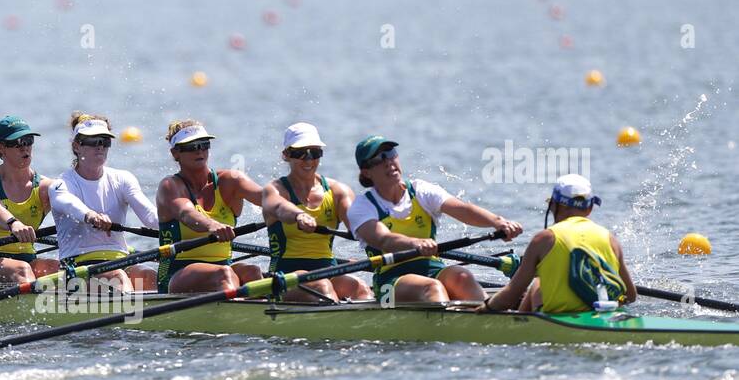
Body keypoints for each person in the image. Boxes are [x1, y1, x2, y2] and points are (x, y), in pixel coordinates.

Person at [347, 135, 522, 303]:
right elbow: (382, 239)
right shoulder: (362, 206)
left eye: (391, 154)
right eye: (379, 158)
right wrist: (415, 243)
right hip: (391, 278)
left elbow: (463, 210)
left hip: (432, 266)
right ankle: (452, 328)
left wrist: (498, 222)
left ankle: (492, 318)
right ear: (367, 172)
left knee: (463, 277)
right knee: (432, 288)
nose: (388, 161)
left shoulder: (420, 190)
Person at [483, 174, 636, 313]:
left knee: (538, 283)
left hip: (557, 320)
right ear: (589, 209)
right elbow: (630, 295)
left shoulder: (544, 239)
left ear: (554, 205)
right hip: (602, 316)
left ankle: (520, 324)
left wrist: (486, 307)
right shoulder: (610, 238)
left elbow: (511, 296)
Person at [259, 122, 372, 302]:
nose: (309, 159)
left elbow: (360, 225)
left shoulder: (338, 191)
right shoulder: (274, 190)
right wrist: (299, 215)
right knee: (322, 286)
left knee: (360, 288)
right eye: (300, 153)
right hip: (284, 275)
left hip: (329, 270)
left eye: (315, 152)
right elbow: (279, 208)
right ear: (286, 155)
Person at [47, 112, 159, 292]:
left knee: (152, 276)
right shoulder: (61, 184)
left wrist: (185, 224)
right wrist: (91, 216)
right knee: (118, 278)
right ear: (77, 146)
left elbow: (151, 217)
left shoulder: (123, 179)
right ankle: (137, 315)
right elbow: (69, 204)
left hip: (121, 259)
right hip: (79, 266)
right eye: (92, 141)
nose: (100, 147)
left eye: (105, 141)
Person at [155, 120, 265, 294]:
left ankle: (262, 316)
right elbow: (187, 213)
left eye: (204, 145)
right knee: (225, 274)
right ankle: (241, 314)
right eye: (191, 146)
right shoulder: (170, 186)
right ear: (175, 153)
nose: (199, 150)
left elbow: (266, 198)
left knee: (253, 271)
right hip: (176, 274)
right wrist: (213, 226)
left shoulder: (230, 181)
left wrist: (296, 211)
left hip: (223, 268)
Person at [0, 116, 59, 284]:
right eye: (17, 142)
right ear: (1, 147)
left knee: (61, 270)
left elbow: (71, 209)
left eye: (28, 141)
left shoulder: (47, 187)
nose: (24, 148)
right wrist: (13, 223)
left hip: (28, 259)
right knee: (22, 270)